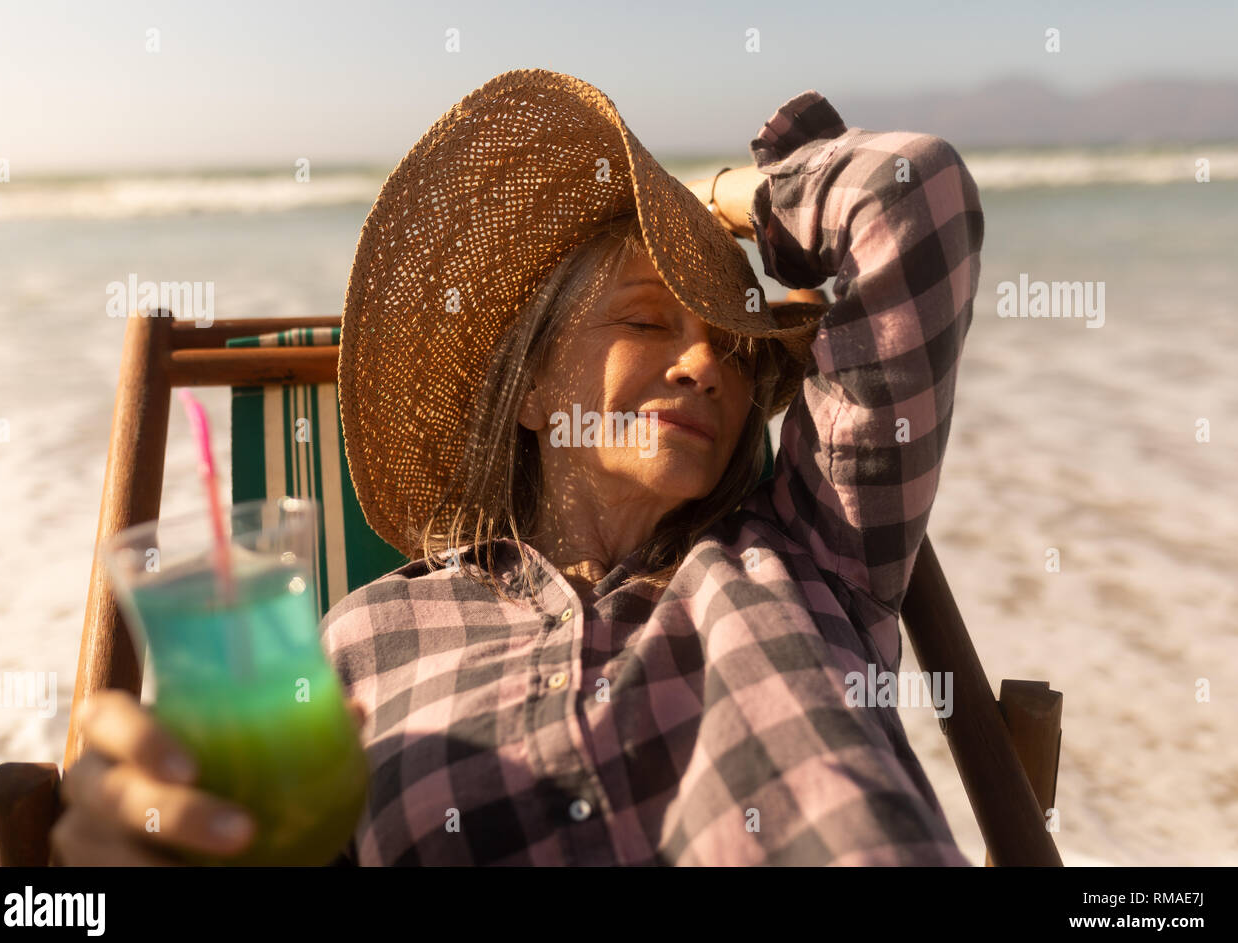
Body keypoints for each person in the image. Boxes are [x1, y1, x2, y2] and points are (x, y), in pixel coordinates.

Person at [54, 69, 983, 866]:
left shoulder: (816, 547)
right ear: (534, 389)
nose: (706, 364)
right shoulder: (362, 641)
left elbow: (912, 193)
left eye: (736, 348)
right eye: (648, 319)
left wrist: (705, 204)